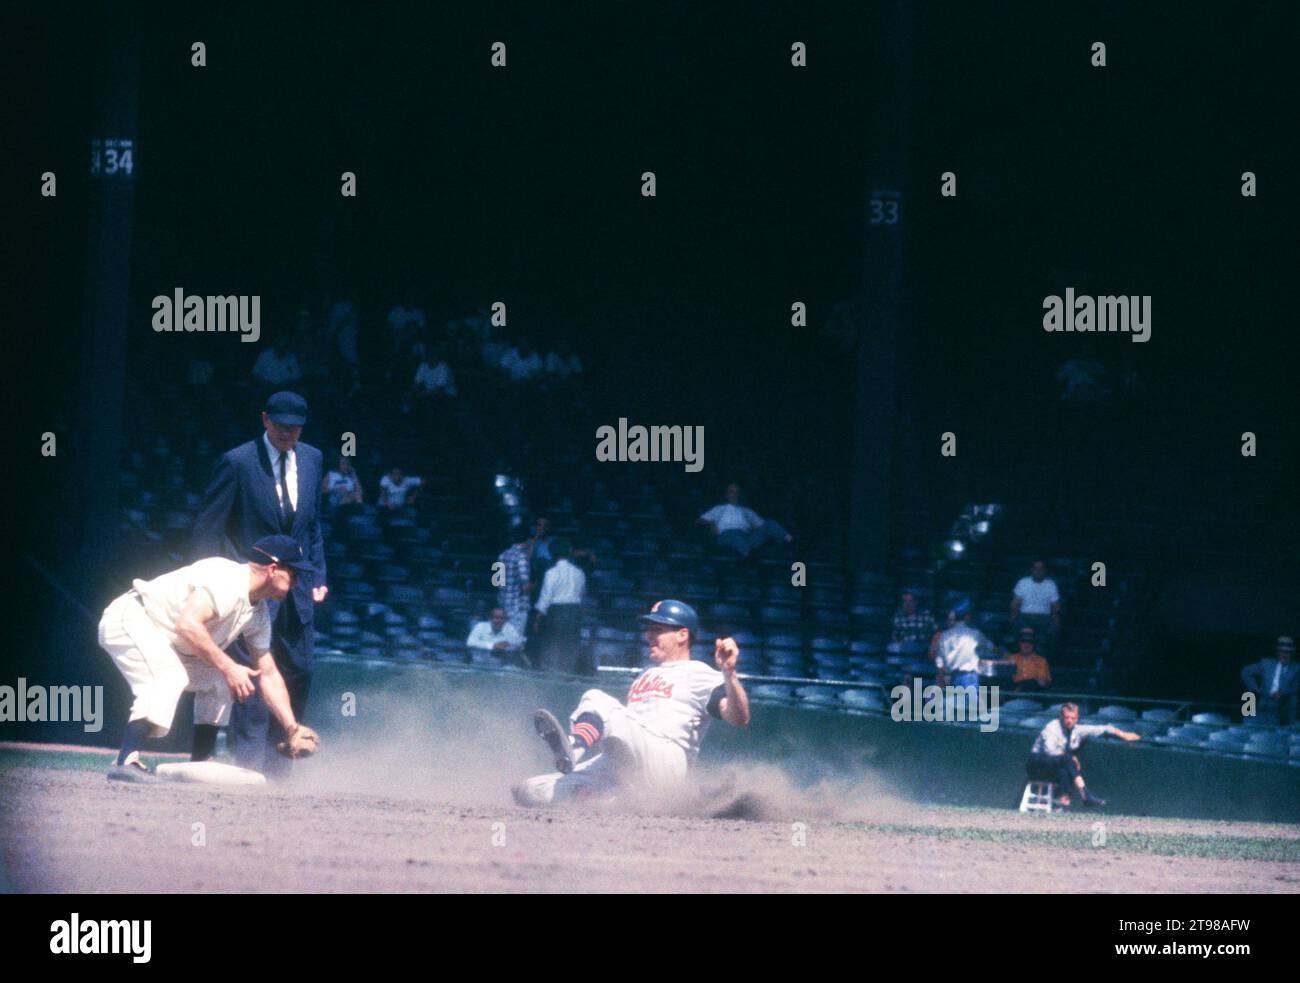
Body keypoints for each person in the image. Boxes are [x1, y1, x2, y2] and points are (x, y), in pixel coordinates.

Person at [96, 536, 320, 782]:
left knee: (219, 680)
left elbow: (267, 672)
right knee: (170, 676)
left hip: (170, 640)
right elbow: (188, 624)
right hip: (134, 618)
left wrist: (291, 727)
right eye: (293, 572)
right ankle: (125, 760)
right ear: (273, 569)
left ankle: (200, 762)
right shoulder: (228, 579)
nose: (297, 580)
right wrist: (229, 666)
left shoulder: (258, 612)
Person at [191, 391, 328, 777]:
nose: (288, 433)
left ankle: (282, 764)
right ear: (265, 420)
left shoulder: (314, 459)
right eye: (281, 425)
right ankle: (247, 767)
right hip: (248, 586)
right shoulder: (236, 462)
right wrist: (214, 581)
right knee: (251, 674)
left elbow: (313, 523)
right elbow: (208, 527)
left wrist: (318, 573)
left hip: (297, 586)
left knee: (299, 668)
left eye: (295, 427)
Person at [512, 599, 749, 807]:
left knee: (598, 699)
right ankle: (615, 801)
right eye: (649, 629)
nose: (649, 635)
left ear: (682, 635)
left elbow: (739, 717)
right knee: (530, 790)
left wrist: (729, 675)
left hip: (666, 759)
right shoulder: (644, 674)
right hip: (628, 765)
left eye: (658, 629)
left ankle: (573, 748)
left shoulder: (700, 673)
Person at [1026, 703, 1140, 808]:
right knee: (1068, 760)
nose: (1069, 721)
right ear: (1061, 717)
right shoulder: (1052, 727)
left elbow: (1103, 728)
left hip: (1056, 768)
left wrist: (1124, 735)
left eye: (1073, 718)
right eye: (1066, 717)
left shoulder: (1078, 730)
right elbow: (1049, 751)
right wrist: (1070, 757)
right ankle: (1085, 795)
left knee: (1066, 769)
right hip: (1037, 765)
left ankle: (1063, 801)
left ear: (1077, 718)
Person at [533, 538, 587, 673]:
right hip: (574, 611)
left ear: (552, 554)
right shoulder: (579, 572)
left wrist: (538, 618)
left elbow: (546, 596)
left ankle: (550, 674)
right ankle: (567, 673)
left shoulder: (551, 573)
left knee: (552, 644)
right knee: (570, 645)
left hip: (556, 611)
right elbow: (582, 593)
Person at [696, 483, 793, 558]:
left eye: (737, 492)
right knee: (734, 534)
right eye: (731, 492)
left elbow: (761, 525)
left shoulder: (747, 511)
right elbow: (699, 521)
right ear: (727, 495)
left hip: (746, 537)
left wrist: (758, 531)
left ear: (740, 494)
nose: (734, 494)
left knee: (770, 523)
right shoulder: (720, 508)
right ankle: (748, 556)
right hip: (726, 536)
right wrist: (711, 523)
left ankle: (791, 542)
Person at [934, 598, 997, 694]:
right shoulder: (975, 634)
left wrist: (942, 677)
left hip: (950, 677)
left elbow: (939, 661)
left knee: (953, 706)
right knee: (970, 708)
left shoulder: (944, 635)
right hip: (970, 678)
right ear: (967, 617)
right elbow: (991, 648)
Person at [1241, 635, 1298, 726]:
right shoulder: (1266, 663)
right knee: (1250, 725)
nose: (1284, 654)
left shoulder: (1296, 668)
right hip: (1262, 703)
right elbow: (1246, 672)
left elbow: (1296, 688)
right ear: (1278, 652)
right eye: (1282, 651)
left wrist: (1282, 693)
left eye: (1287, 652)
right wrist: (1256, 689)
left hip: (1281, 708)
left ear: (1291, 653)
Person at [1010, 560, 1061, 651]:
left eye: (1041, 569)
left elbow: (1055, 606)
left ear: (1045, 570)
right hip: (1025, 617)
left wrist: (1055, 622)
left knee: (1048, 638)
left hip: (1043, 619)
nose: (1038, 571)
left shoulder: (1051, 584)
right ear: (1031, 570)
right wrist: (1013, 619)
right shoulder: (1023, 582)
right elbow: (1015, 603)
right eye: (1035, 569)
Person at [496, 533, 533, 636]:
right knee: (516, 639)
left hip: (503, 605)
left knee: (503, 637)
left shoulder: (502, 555)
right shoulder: (522, 557)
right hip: (517, 606)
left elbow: (498, 582)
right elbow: (525, 586)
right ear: (527, 541)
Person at [997, 627, 1053, 691]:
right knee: (991, 683)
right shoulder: (1011, 658)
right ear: (1019, 643)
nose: (1027, 644)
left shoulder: (1041, 661)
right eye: (1023, 641)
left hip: (1031, 694)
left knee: (1030, 684)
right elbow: (1003, 679)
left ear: (1034, 644)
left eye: (1030, 641)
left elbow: (1043, 683)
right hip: (1013, 692)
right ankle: (991, 701)